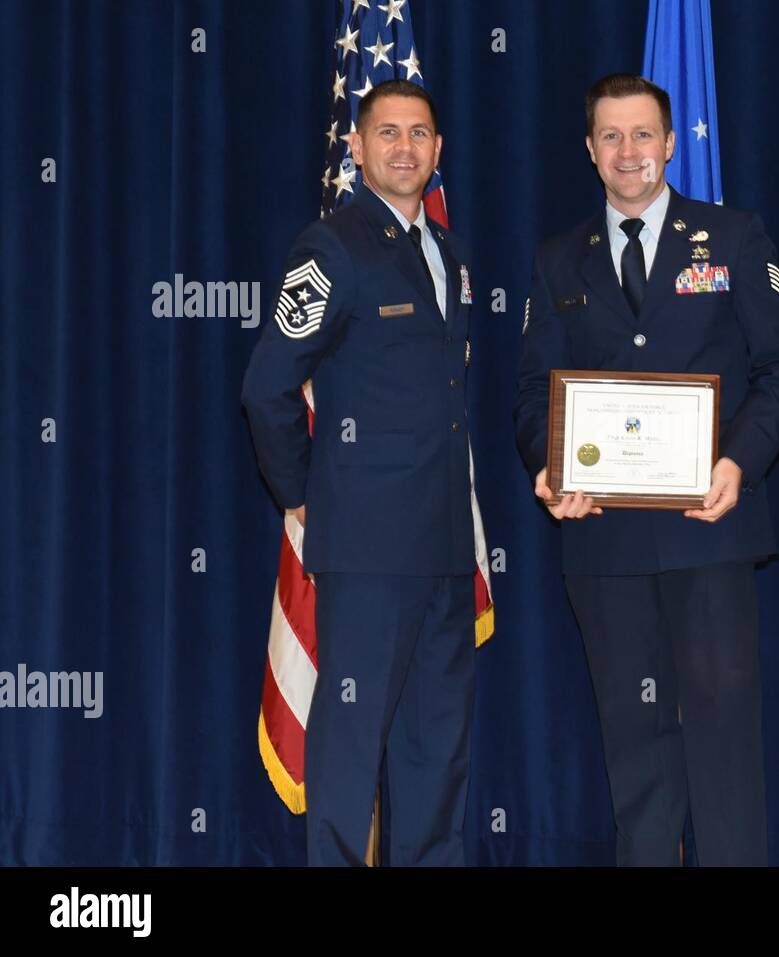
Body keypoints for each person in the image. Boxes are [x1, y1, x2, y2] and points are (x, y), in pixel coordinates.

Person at [513, 73, 779, 866]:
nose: (629, 152)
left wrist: (739, 461)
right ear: (589, 150)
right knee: (633, 743)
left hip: (707, 531)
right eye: (611, 136)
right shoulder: (556, 261)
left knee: (722, 741)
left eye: (643, 134)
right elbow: (532, 391)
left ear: (671, 142)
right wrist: (548, 466)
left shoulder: (736, 237)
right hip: (605, 544)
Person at [242, 80, 478, 866]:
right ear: (358, 147)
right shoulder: (331, 246)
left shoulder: (446, 252)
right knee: (349, 754)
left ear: (438, 151)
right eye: (388, 134)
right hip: (368, 553)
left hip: (446, 545)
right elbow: (266, 385)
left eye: (420, 134)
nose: (405, 148)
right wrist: (302, 495)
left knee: (434, 751)